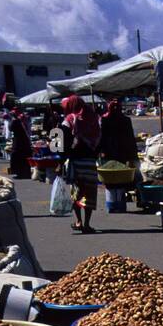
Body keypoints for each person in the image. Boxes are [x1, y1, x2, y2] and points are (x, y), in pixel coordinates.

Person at [59, 94, 101, 232]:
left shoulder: (70, 119)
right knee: (89, 193)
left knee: (76, 192)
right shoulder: (94, 119)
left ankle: (78, 221)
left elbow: (60, 141)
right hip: (90, 162)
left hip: (75, 161)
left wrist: (61, 159)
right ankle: (87, 224)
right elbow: (100, 139)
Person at [8, 108, 33, 179]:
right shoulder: (21, 119)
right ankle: (22, 173)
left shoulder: (17, 120)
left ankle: (21, 173)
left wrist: (13, 119)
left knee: (18, 157)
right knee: (22, 157)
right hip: (23, 142)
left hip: (20, 142)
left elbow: (10, 128)